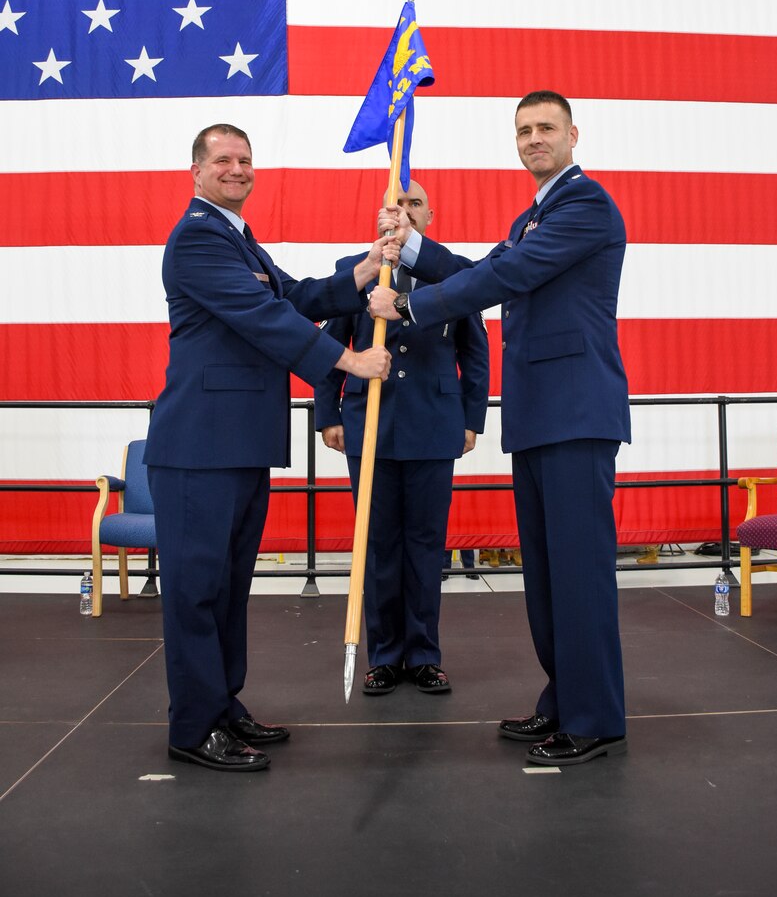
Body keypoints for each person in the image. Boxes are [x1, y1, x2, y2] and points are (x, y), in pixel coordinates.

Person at [370, 91, 631, 766]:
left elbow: (509, 274)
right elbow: (483, 271)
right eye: (524, 129)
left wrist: (406, 303)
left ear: (574, 134)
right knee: (546, 577)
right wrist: (414, 246)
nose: (534, 138)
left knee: (578, 575)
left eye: (546, 127)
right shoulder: (530, 217)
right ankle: (563, 700)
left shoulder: (584, 205)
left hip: (575, 412)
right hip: (540, 415)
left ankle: (595, 717)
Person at [144, 123, 393, 772]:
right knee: (197, 593)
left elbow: (294, 295)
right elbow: (266, 319)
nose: (237, 169)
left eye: (245, 160)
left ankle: (223, 705)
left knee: (228, 590)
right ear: (195, 171)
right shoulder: (197, 237)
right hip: (198, 447)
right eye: (223, 160)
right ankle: (194, 728)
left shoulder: (237, 238)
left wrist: (364, 268)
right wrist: (347, 360)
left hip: (239, 444)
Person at [315, 179, 490, 695]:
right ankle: (386, 654)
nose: (406, 211)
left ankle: (425, 654)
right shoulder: (359, 267)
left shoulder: (452, 272)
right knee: (378, 544)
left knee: (426, 545)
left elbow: (474, 352)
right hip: (372, 423)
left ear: (429, 217)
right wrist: (328, 414)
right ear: (380, 218)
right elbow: (331, 344)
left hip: (434, 423)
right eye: (397, 204)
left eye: (415, 204)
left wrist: (471, 419)